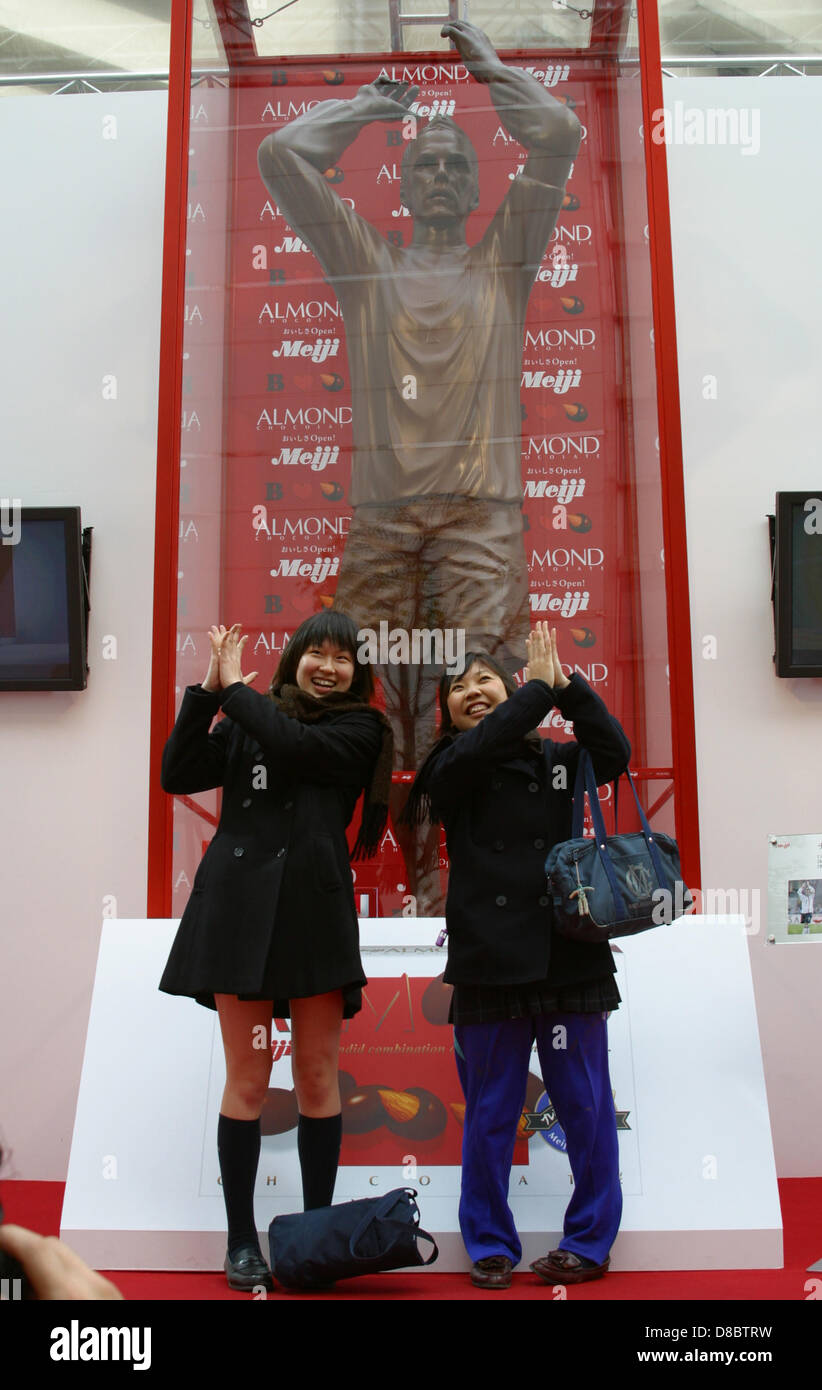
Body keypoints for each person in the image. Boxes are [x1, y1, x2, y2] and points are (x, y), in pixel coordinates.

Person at [257, 20, 582, 913]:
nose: (440, 176)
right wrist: (366, 108)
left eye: (455, 166)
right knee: (364, 711)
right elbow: (281, 155)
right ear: (402, 187)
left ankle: (462, 896)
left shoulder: (502, 263)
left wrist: (490, 74)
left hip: (481, 520)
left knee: (477, 706)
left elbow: (559, 134)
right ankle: (374, 888)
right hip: (382, 524)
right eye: (426, 165)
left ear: (478, 187)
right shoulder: (367, 266)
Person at [159, 611, 392, 1290]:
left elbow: (295, 749)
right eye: (315, 653)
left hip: (314, 912)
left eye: (342, 657)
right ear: (292, 660)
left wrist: (239, 696)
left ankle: (315, 1236)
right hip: (236, 909)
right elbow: (178, 772)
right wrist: (208, 690)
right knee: (251, 1080)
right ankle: (240, 1242)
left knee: (318, 1077)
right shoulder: (245, 715)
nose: (328, 666)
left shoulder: (360, 728)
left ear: (357, 672)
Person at [405, 623, 630, 1288]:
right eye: (459, 687)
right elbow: (484, 745)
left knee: (586, 1109)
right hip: (489, 963)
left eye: (485, 679)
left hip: (571, 955)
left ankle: (589, 1241)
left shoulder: (562, 758)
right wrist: (533, 693)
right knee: (492, 1114)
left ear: (510, 687)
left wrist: (568, 686)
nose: (472, 690)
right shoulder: (450, 766)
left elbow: (612, 752)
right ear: (446, 709)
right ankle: (489, 1243)